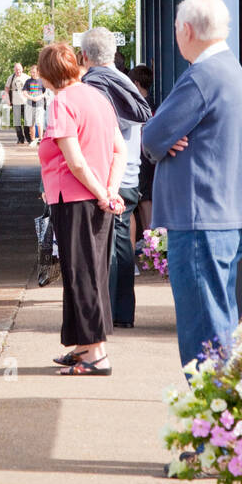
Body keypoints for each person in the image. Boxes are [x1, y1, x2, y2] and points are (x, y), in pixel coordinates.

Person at [141, 0, 242, 373]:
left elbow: (152, 137)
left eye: (176, 29)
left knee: (201, 330)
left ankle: (215, 413)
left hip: (200, 219)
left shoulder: (200, 77)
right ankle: (227, 412)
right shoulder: (232, 70)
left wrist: (163, 131)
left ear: (187, 30)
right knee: (221, 319)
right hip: (225, 214)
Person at [37, 42, 126, 376]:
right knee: (90, 272)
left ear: (47, 75)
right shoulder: (98, 98)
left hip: (74, 201)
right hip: (98, 201)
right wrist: (110, 192)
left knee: (81, 275)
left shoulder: (61, 103)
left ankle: (97, 356)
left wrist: (102, 192)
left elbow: (74, 161)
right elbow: (120, 151)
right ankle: (83, 345)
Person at [79, 28, 151, 329]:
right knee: (121, 245)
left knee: (100, 247)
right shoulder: (126, 82)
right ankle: (122, 313)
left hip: (108, 176)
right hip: (131, 175)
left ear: (84, 57)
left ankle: (103, 316)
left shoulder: (93, 86)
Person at [127, 64, 155, 259]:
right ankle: (151, 238)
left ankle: (151, 240)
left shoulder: (138, 106)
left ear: (136, 83)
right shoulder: (154, 104)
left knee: (145, 200)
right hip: (151, 156)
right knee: (146, 198)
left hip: (142, 157)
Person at [3, 63, 30, 143]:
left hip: (26, 102)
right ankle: (20, 138)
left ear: (22, 69)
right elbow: (6, 89)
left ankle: (28, 137)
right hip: (16, 103)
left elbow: (32, 88)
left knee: (27, 121)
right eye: (16, 69)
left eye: (19, 69)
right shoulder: (11, 78)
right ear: (14, 70)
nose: (18, 71)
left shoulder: (27, 77)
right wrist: (7, 99)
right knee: (17, 122)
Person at [23, 65, 47, 143]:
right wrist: (31, 98)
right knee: (31, 123)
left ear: (38, 72)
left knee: (39, 122)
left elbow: (45, 92)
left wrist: (39, 97)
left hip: (39, 104)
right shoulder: (28, 81)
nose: (32, 73)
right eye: (31, 72)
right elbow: (24, 92)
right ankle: (33, 139)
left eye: (33, 72)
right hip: (30, 105)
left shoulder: (42, 81)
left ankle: (41, 139)